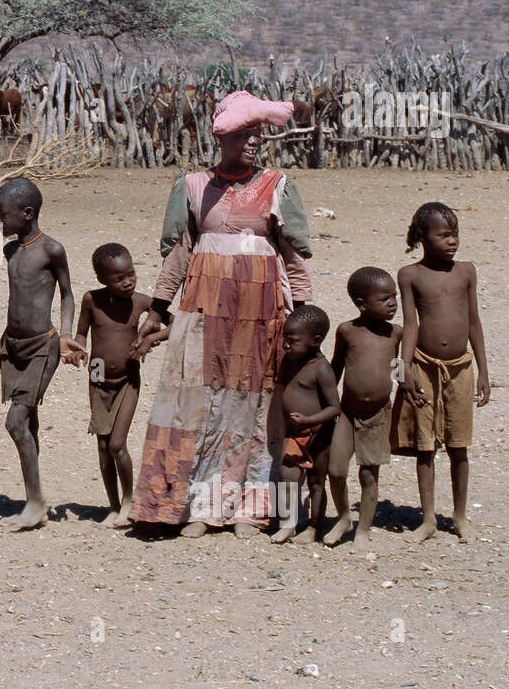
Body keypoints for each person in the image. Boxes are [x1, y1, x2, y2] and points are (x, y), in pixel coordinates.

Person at [131, 91, 315, 537]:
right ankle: (196, 508)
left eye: (257, 134)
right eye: (243, 135)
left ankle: (249, 510)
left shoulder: (278, 184)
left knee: (254, 404)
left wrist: (304, 313)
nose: (253, 142)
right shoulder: (192, 186)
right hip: (203, 306)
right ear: (222, 138)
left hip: (262, 308)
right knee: (200, 404)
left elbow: (293, 255)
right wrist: (158, 305)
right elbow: (179, 251)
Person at [392, 202, 490, 542]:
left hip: (461, 368)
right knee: (425, 446)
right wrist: (403, 369)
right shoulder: (410, 274)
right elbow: (410, 324)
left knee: (459, 444)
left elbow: (474, 322)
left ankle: (460, 516)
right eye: (444, 235)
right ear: (423, 237)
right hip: (423, 366)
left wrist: (484, 371)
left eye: (456, 235)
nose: (452, 242)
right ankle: (429, 519)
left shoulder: (466, 271)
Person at [0, 178, 81, 530]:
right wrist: (2, 342)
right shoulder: (11, 251)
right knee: (30, 423)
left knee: (15, 423)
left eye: (2, 215)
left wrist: (67, 336)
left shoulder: (52, 250)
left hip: (44, 346)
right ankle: (35, 496)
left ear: (26, 214)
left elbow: (68, 295)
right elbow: (17, 302)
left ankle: (35, 502)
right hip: (15, 346)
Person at [68, 243, 169, 528]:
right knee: (102, 446)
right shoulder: (91, 300)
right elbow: (81, 332)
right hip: (98, 376)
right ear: (103, 280)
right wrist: (78, 349)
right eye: (119, 278)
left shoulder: (141, 302)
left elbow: (176, 323)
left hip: (128, 379)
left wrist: (151, 339)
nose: (128, 282)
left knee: (116, 443)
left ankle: (128, 500)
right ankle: (112, 507)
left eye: (131, 274)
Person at [324, 267, 402, 550]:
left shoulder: (395, 334)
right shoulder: (347, 331)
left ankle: (364, 530)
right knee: (336, 470)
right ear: (361, 304)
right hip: (347, 411)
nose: (392, 303)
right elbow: (336, 367)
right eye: (384, 299)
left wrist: (409, 386)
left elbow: (398, 367)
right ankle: (344, 517)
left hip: (378, 414)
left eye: (394, 297)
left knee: (369, 475)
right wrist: (324, 399)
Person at [269, 305, 340, 543]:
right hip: (295, 434)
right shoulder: (291, 361)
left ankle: (314, 527)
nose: (286, 345)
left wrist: (309, 420)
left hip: (319, 433)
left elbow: (334, 408)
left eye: (293, 340)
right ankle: (287, 523)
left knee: (317, 481)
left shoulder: (322, 370)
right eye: (285, 340)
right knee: (287, 474)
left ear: (315, 341)